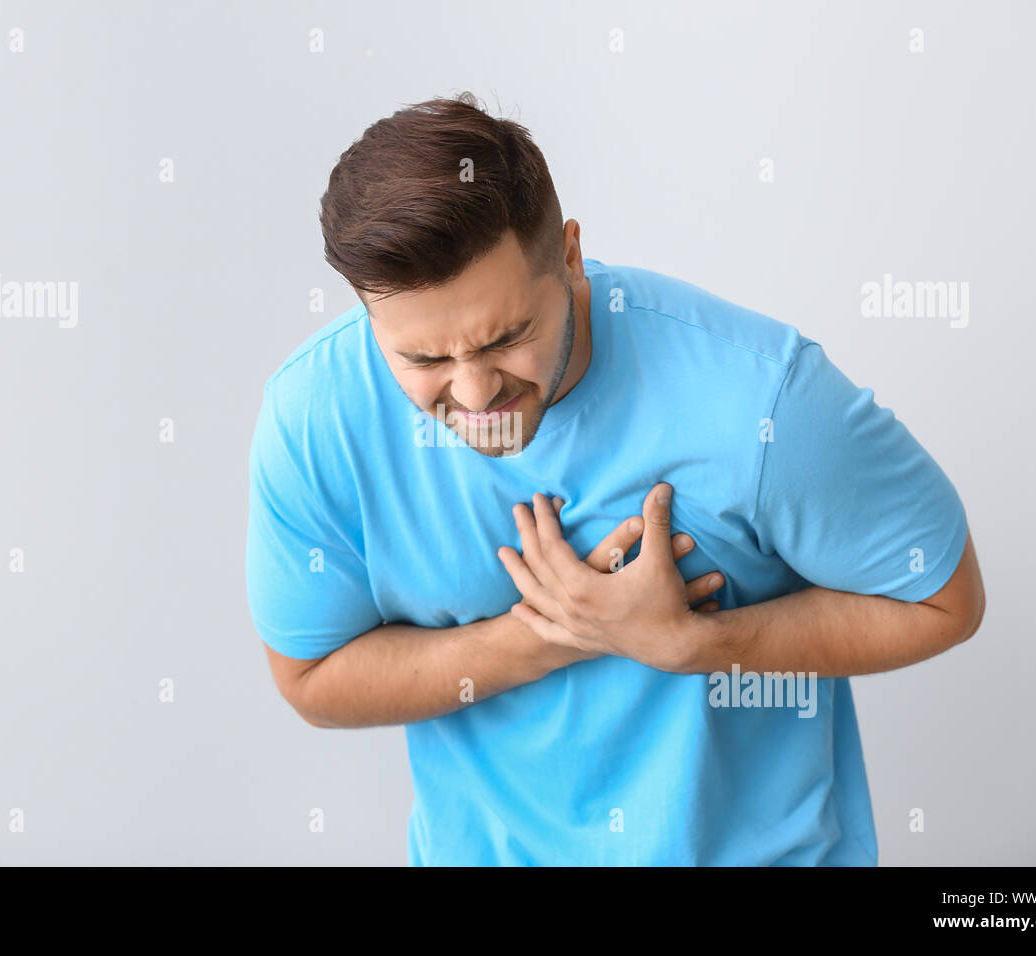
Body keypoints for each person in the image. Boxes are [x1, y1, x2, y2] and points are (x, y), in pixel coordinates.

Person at [245, 92, 985, 866]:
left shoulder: (761, 399)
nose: (472, 397)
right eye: (423, 360)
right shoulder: (314, 418)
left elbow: (944, 600)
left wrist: (696, 643)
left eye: (505, 337)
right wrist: (544, 638)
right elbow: (311, 676)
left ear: (568, 257)